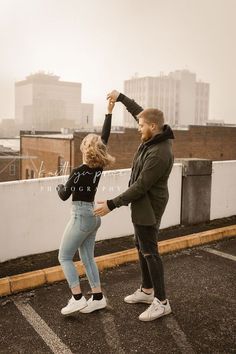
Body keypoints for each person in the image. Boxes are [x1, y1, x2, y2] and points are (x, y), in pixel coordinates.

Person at [94, 90, 174, 322]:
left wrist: (111, 204)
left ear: (152, 126)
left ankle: (162, 302)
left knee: (150, 251)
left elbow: (141, 186)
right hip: (142, 204)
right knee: (140, 245)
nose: (138, 127)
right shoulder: (154, 136)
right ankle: (147, 291)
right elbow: (138, 111)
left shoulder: (159, 153)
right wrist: (121, 98)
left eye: (141, 125)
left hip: (148, 205)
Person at [57, 99, 115, 316]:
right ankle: (98, 297)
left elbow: (64, 196)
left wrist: (59, 186)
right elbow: (106, 138)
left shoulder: (78, 171)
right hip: (93, 215)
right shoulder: (98, 168)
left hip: (81, 216)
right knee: (87, 258)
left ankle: (77, 298)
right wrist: (109, 113)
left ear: (84, 149)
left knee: (64, 257)